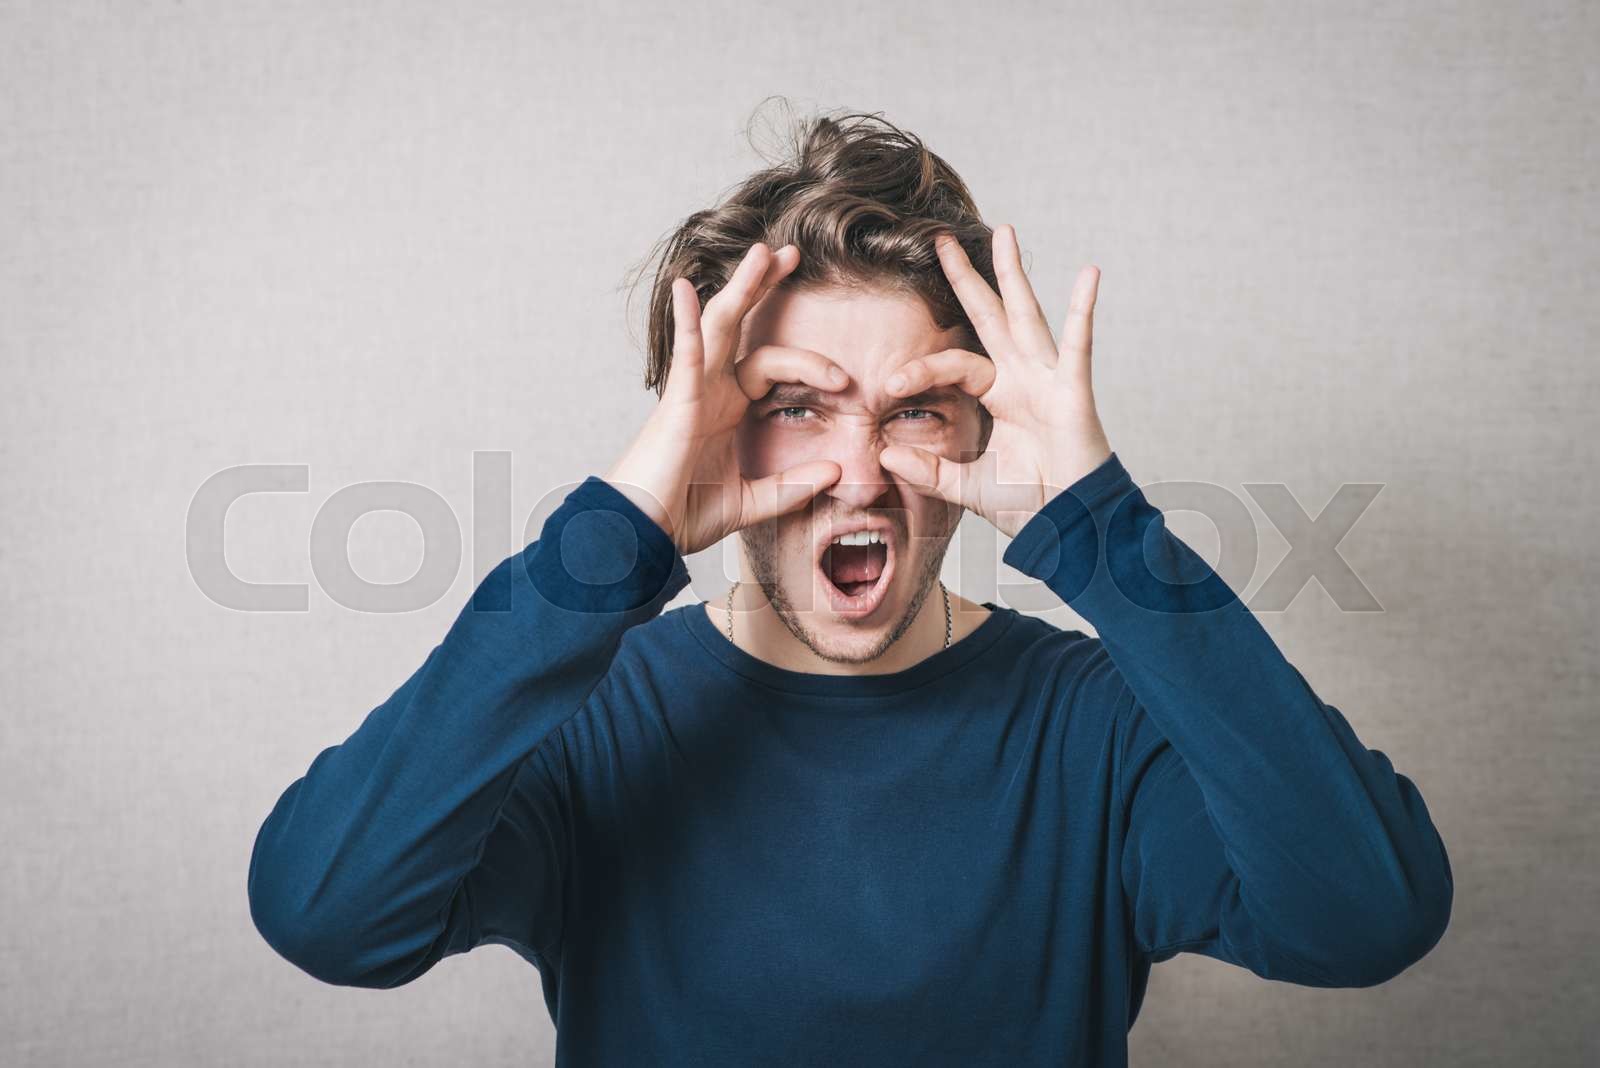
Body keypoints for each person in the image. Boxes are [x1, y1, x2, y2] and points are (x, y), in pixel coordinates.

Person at [247, 110, 1452, 1066]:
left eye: (914, 409)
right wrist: (617, 532)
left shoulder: (1096, 723)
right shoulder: (593, 722)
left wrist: (1104, 530)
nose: (861, 472)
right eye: (794, 409)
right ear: (706, 433)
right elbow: (329, 913)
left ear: (977, 435)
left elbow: (1364, 919)